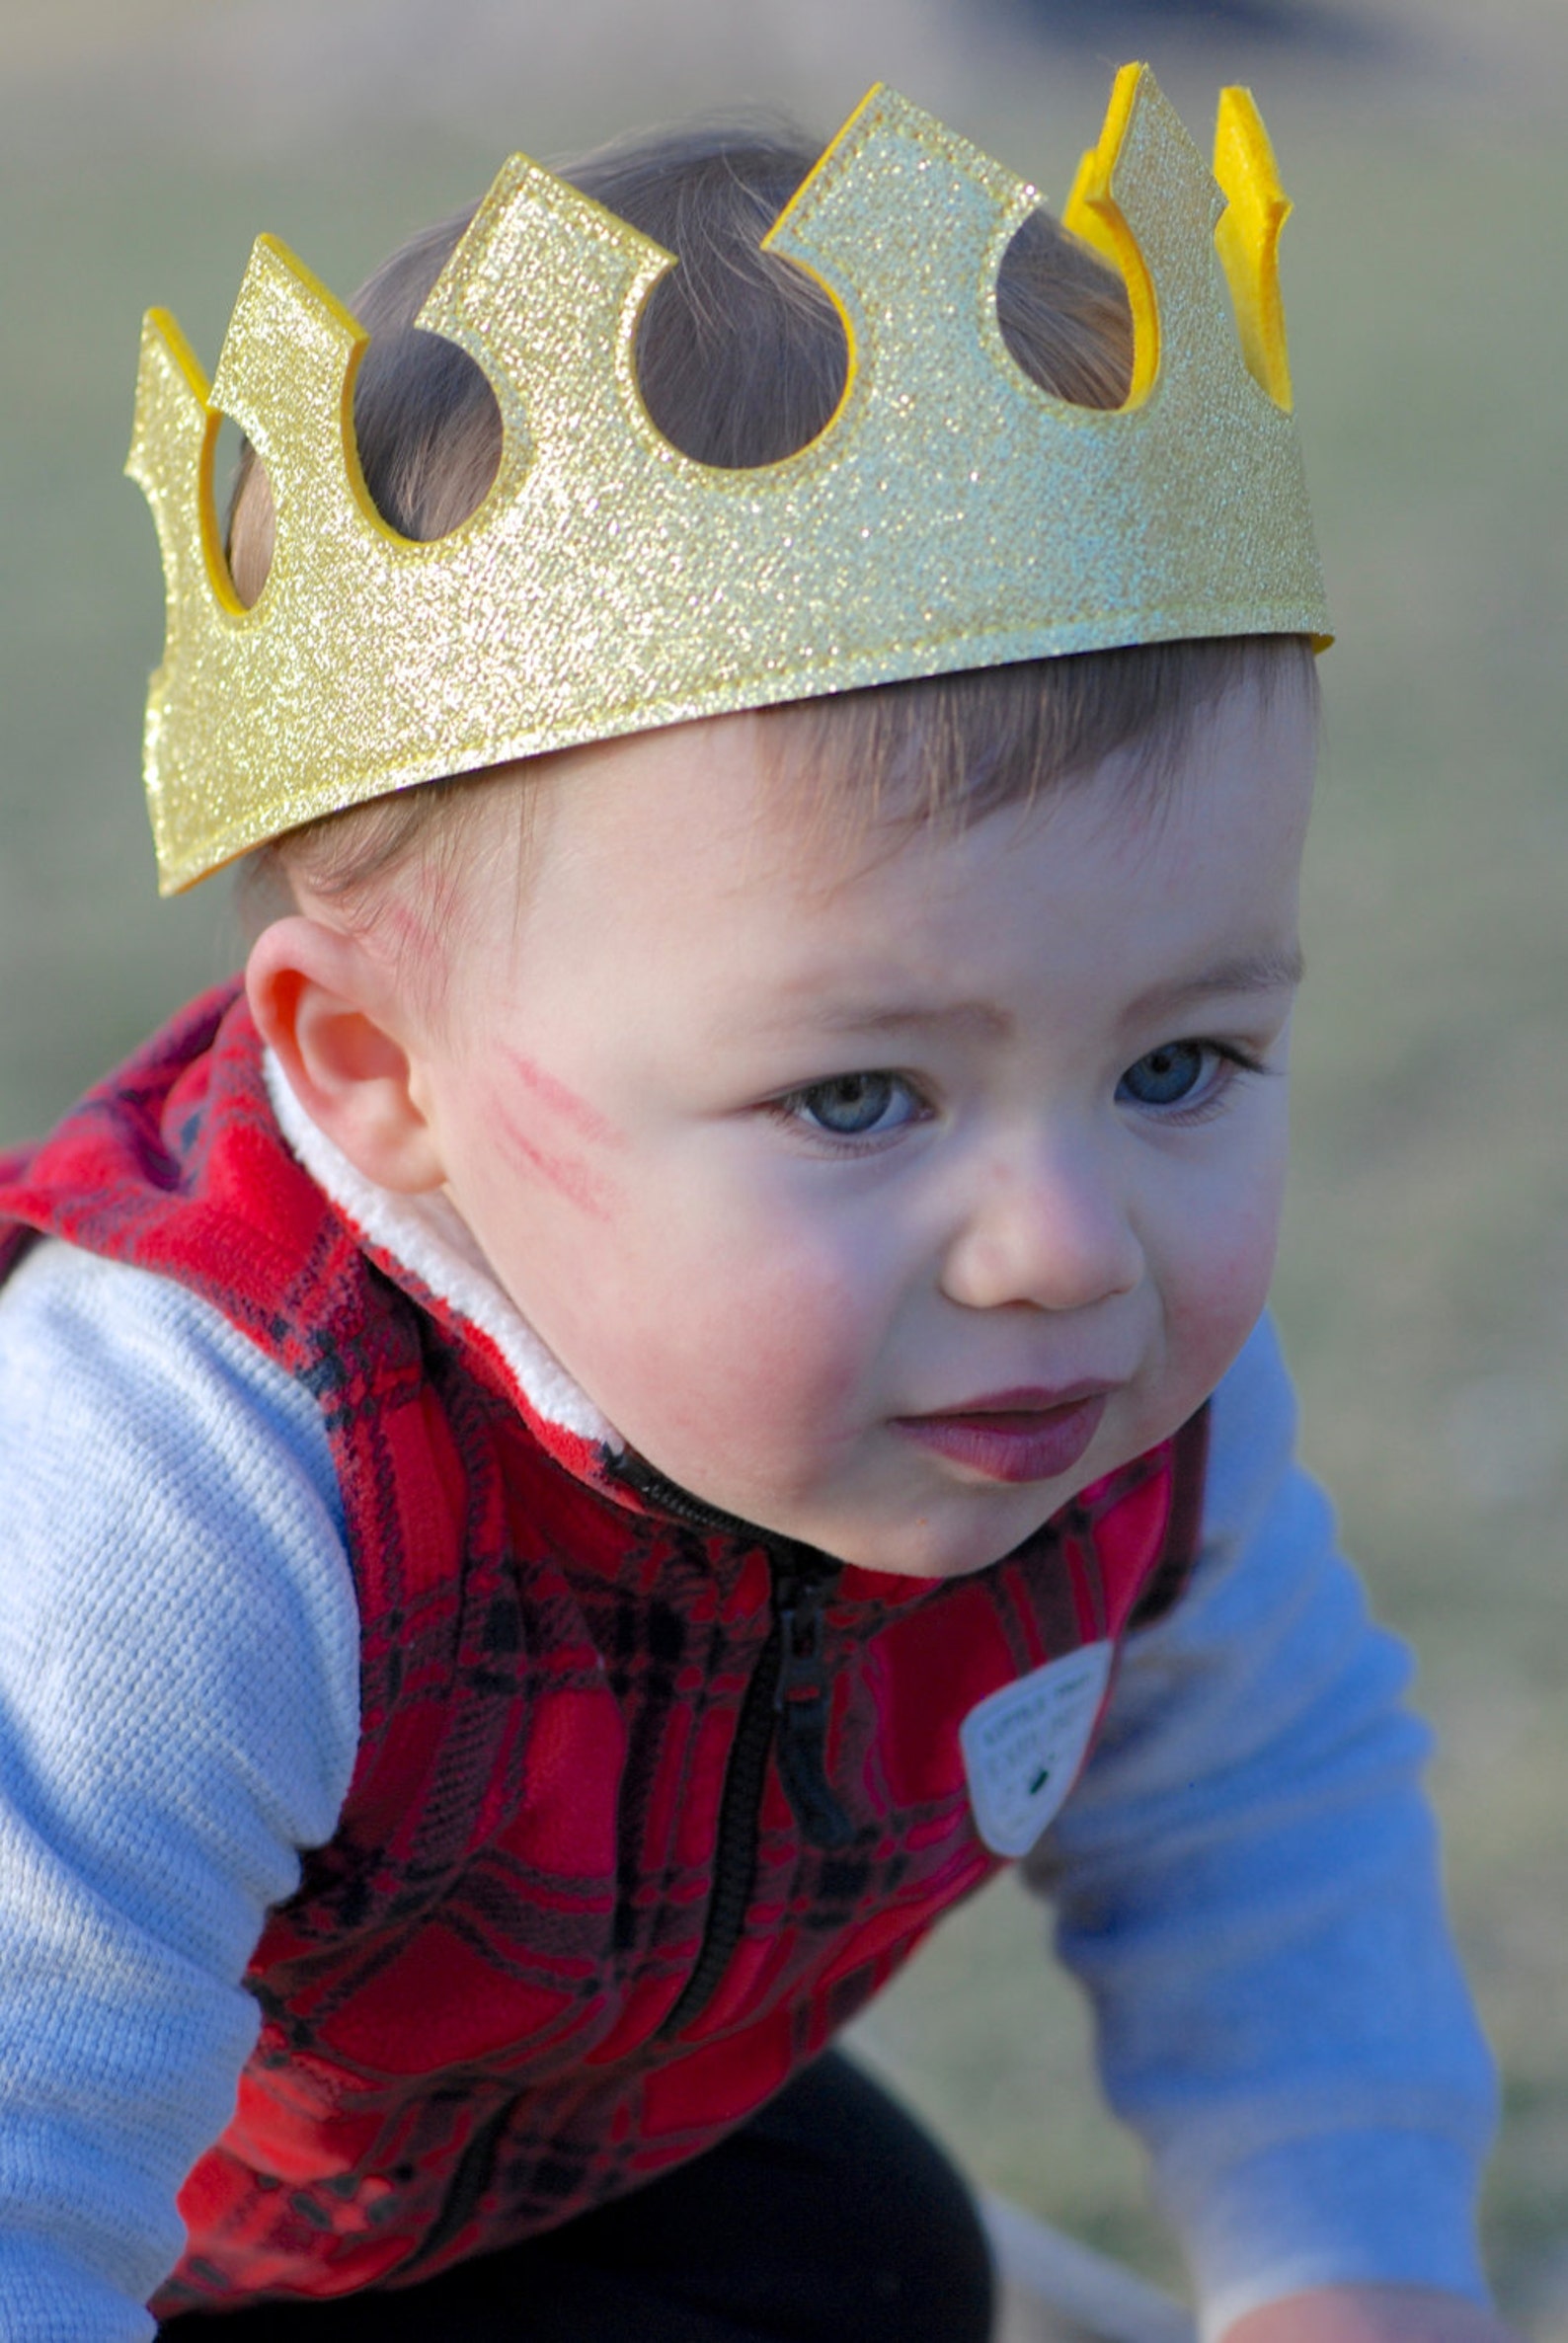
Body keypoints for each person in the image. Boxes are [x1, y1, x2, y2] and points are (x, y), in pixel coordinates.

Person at [0, 66, 1509, 2343]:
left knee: (846, 2252)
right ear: (381, 1074)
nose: (1062, 1242)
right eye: (857, 1095)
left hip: (485, 2164)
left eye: (1175, 1063)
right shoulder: (185, 1485)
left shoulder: (1106, 1385)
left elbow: (1257, 1809)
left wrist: (1347, 2260)